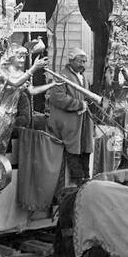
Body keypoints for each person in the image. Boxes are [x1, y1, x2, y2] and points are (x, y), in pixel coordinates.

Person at [0, 44, 48, 161]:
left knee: (1, 149)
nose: (22, 60)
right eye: (19, 56)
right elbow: (15, 82)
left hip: (10, 116)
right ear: (10, 57)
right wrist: (33, 68)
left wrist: (52, 84)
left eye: (24, 57)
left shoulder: (21, 74)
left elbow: (32, 91)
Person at [46, 49, 93, 186]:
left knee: (86, 148)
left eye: (84, 61)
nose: (83, 64)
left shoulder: (83, 77)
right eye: (80, 61)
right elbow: (57, 97)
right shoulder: (61, 76)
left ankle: (86, 177)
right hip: (68, 122)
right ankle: (78, 180)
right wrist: (79, 104)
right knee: (73, 149)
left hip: (82, 121)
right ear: (71, 60)